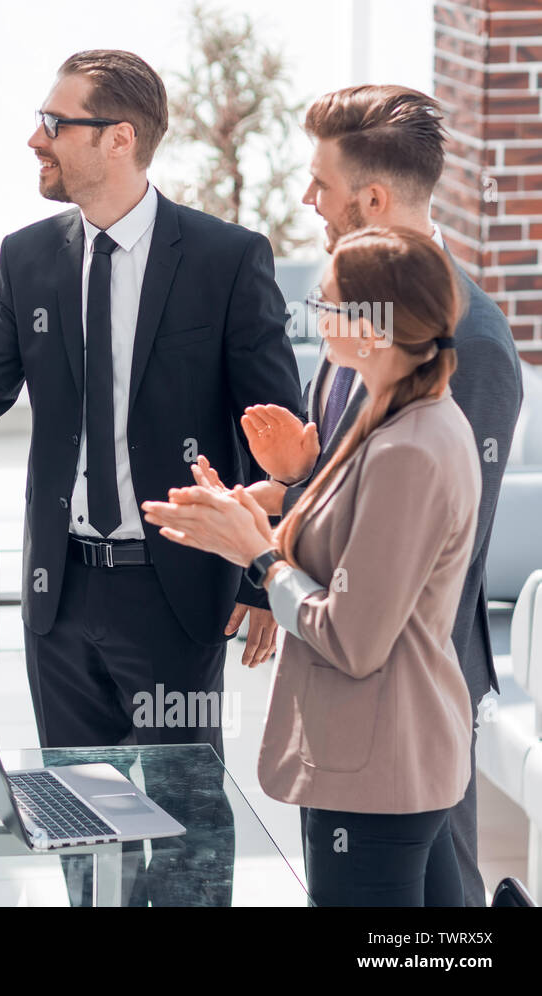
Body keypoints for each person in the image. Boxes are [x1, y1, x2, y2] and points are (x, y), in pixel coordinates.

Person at [0, 49, 302, 905]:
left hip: (176, 592)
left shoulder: (226, 259)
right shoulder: (31, 256)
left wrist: (261, 579)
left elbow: (278, 437)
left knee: (186, 822)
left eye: (55, 123)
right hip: (62, 594)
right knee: (81, 822)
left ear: (119, 139)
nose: (33, 139)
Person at [239, 86, 523, 905]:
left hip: (411, 696)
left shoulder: (473, 344)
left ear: (371, 199)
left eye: (319, 183)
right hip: (339, 676)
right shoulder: (357, 304)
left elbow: (425, 541)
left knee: (437, 910)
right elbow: (347, 485)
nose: (306, 200)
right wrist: (294, 479)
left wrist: (265, 559)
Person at [144, 226, 478, 906]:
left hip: (379, 767)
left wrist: (259, 557)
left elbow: (351, 639)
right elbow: (343, 527)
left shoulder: (409, 447)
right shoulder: (384, 412)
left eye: (326, 305)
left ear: (373, 328)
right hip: (376, 759)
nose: (313, 317)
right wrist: (245, 509)